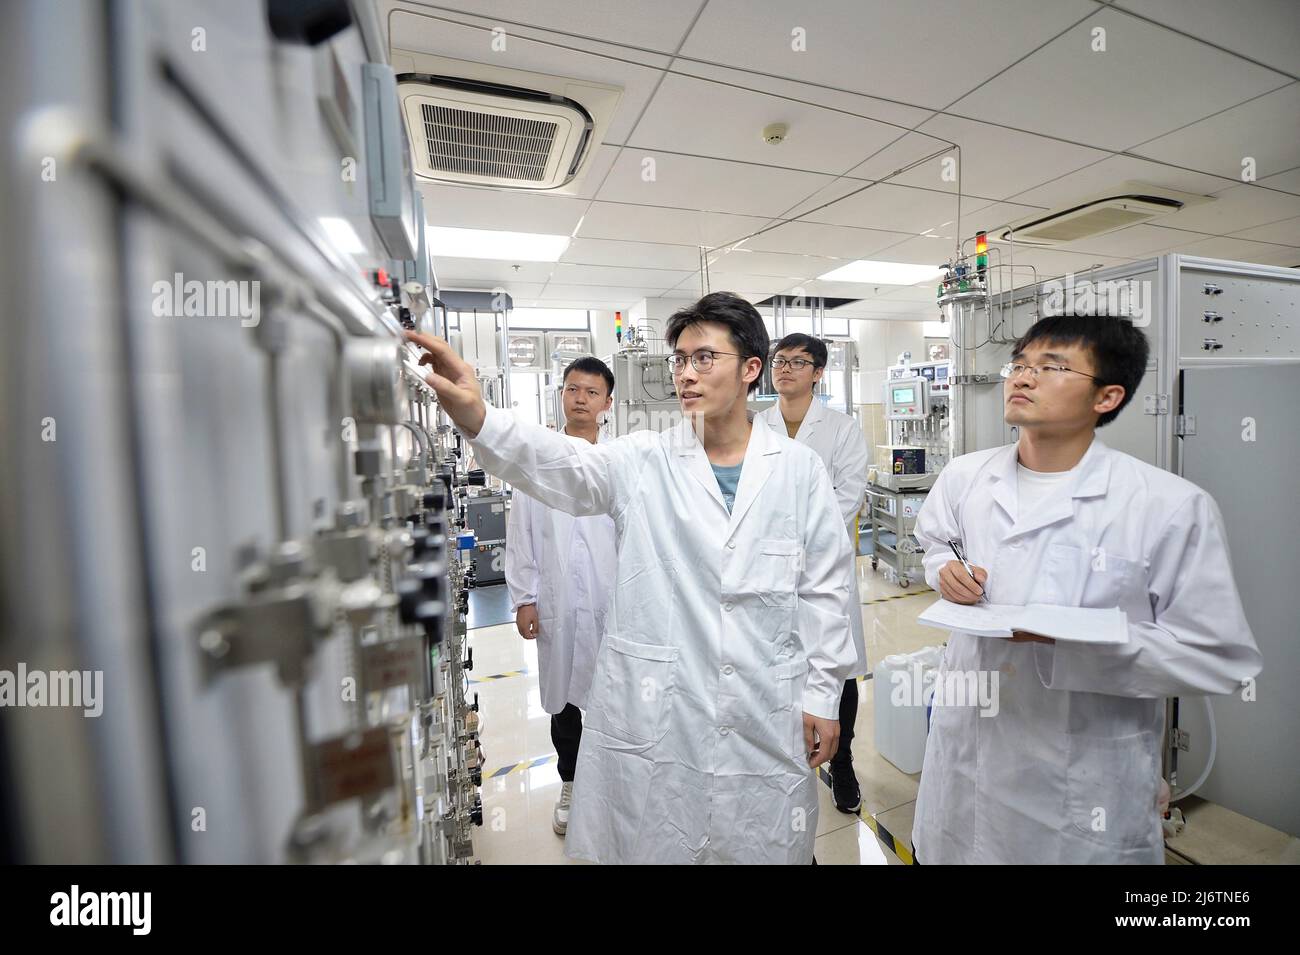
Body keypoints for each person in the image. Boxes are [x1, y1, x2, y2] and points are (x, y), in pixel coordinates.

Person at [405, 291, 857, 864]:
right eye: (680, 359)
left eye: (703, 359)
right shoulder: (644, 460)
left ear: (750, 370)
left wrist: (822, 693)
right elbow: (560, 464)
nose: (685, 374)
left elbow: (825, 586)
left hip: (764, 704)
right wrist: (479, 416)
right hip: (661, 705)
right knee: (655, 833)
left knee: (757, 838)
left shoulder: (799, 470)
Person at [912, 314, 1262, 864]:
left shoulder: (1165, 506)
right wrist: (943, 571)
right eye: (1020, 364)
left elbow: (1218, 656)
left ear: (1108, 396)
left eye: (1051, 367)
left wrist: (1069, 643)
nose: (1022, 378)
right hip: (966, 758)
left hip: (1080, 777)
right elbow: (936, 542)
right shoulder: (966, 476)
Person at [757, 333, 869, 814]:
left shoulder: (842, 429)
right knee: (772, 663)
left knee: (836, 669)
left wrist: (796, 532)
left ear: (818, 372)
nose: (784, 369)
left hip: (823, 566)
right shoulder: (755, 425)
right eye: (779, 361)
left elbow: (849, 495)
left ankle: (841, 764)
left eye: (797, 362)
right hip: (765, 568)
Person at [505, 357, 617, 836]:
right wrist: (525, 598)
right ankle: (570, 782)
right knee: (564, 701)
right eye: (573, 389)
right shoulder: (539, 464)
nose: (581, 398)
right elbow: (521, 535)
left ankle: (613, 786)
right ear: (562, 396)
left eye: (592, 392)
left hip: (612, 603)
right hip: (556, 601)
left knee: (615, 696)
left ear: (607, 403)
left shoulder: (619, 463)